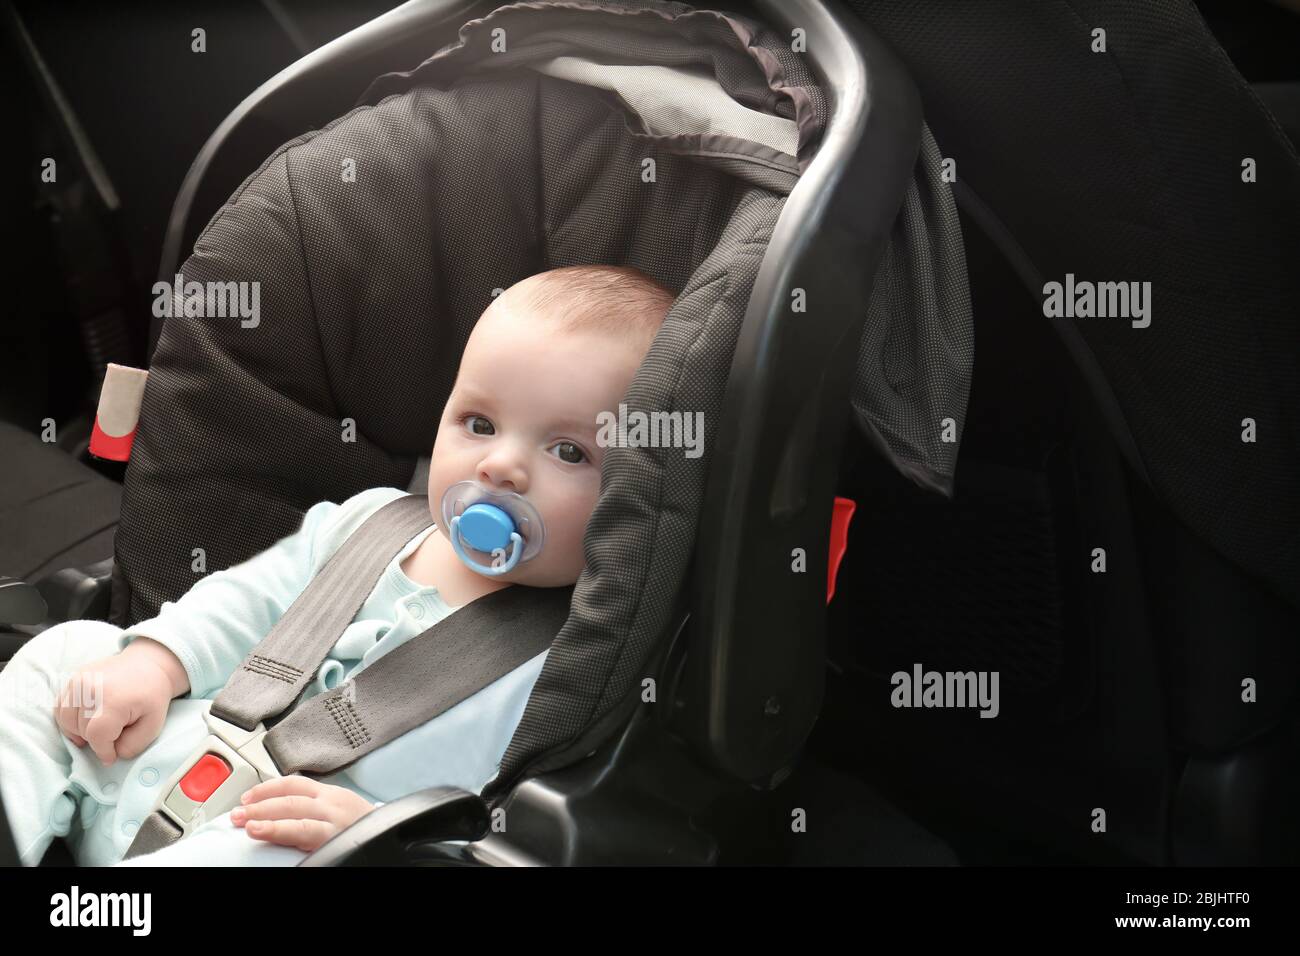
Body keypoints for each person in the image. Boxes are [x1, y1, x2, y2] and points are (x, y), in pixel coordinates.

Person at [0, 264, 675, 866]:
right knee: (70, 653)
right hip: (166, 740)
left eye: (568, 452)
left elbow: (506, 824)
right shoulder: (371, 519)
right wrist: (155, 664)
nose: (500, 465)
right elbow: (247, 600)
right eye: (478, 424)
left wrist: (382, 836)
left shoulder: (574, 661)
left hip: (298, 834)